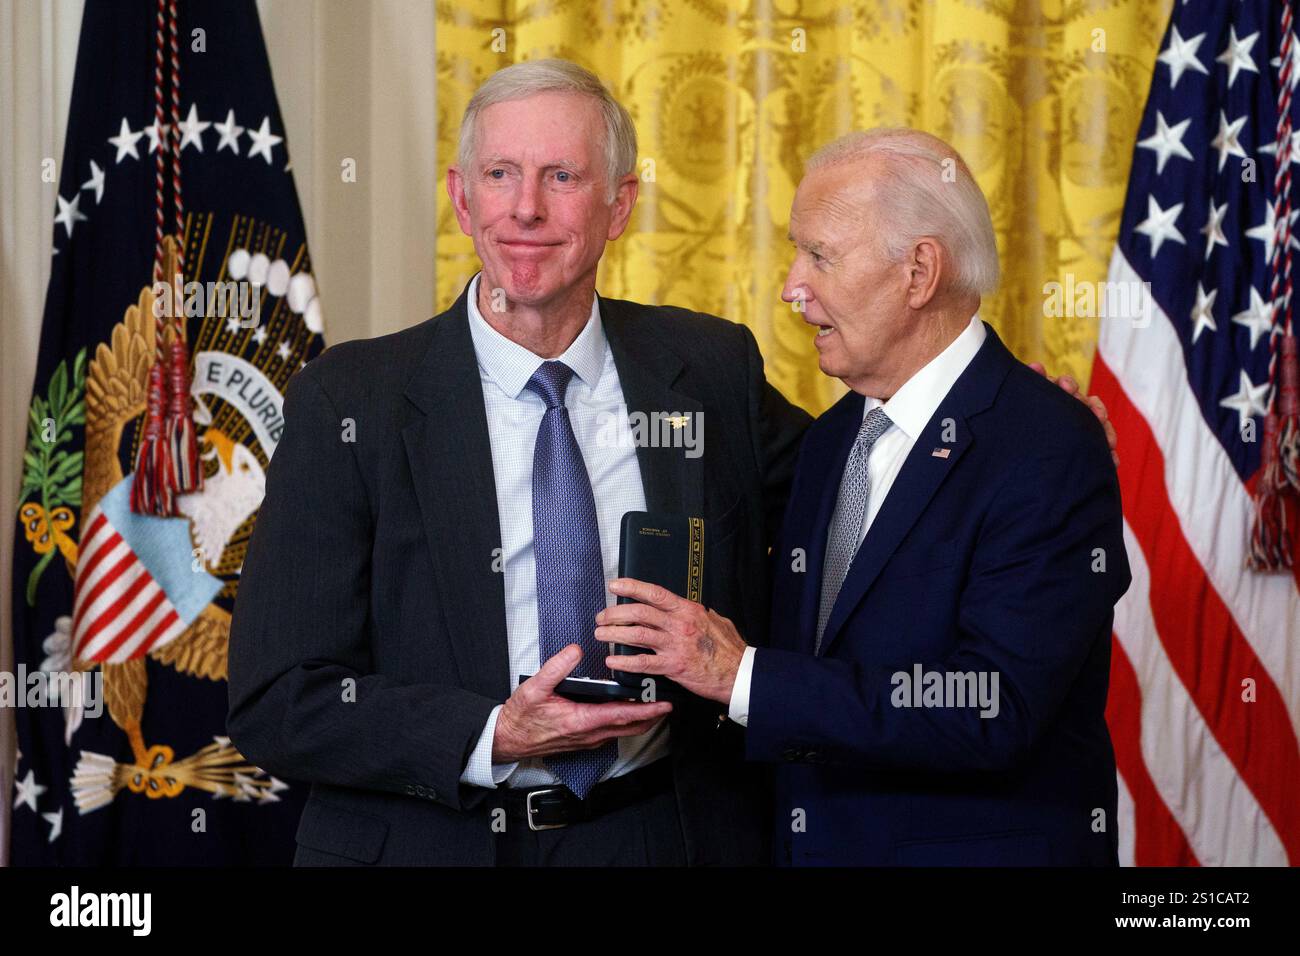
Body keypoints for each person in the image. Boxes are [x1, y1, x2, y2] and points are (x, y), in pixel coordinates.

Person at [226, 58, 809, 866]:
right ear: (463, 201)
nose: (526, 209)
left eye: (562, 176)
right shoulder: (349, 402)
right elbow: (277, 698)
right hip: (434, 844)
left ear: (621, 205)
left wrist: (996, 427)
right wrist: (492, 733)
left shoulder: (709, 368)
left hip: (661, 836)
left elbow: (859, 495)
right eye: (500, 175)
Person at [597, 128, 1130, 866]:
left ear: (919, 272)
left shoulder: (1047, 444)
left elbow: (990, 705)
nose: (791, 285)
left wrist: (742, 674)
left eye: (819, 255)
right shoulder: (829, 438)